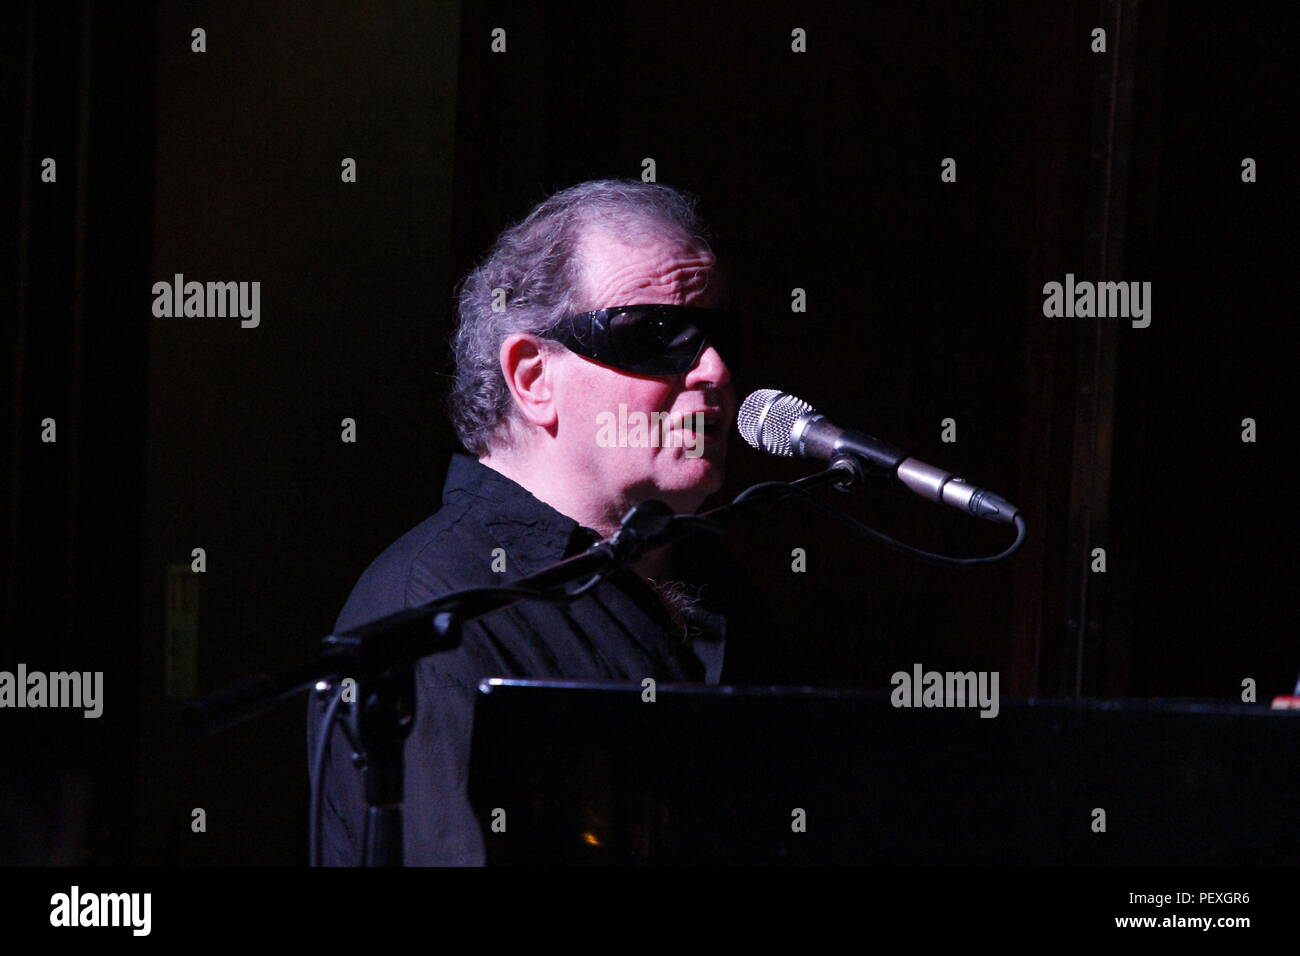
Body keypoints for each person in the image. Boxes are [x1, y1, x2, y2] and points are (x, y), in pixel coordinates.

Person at [308, 179, 766, 866]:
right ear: (532, 376)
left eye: (719, 334)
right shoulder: (430, 613)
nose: (715, 369)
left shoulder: (718, 585)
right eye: (655, 333)